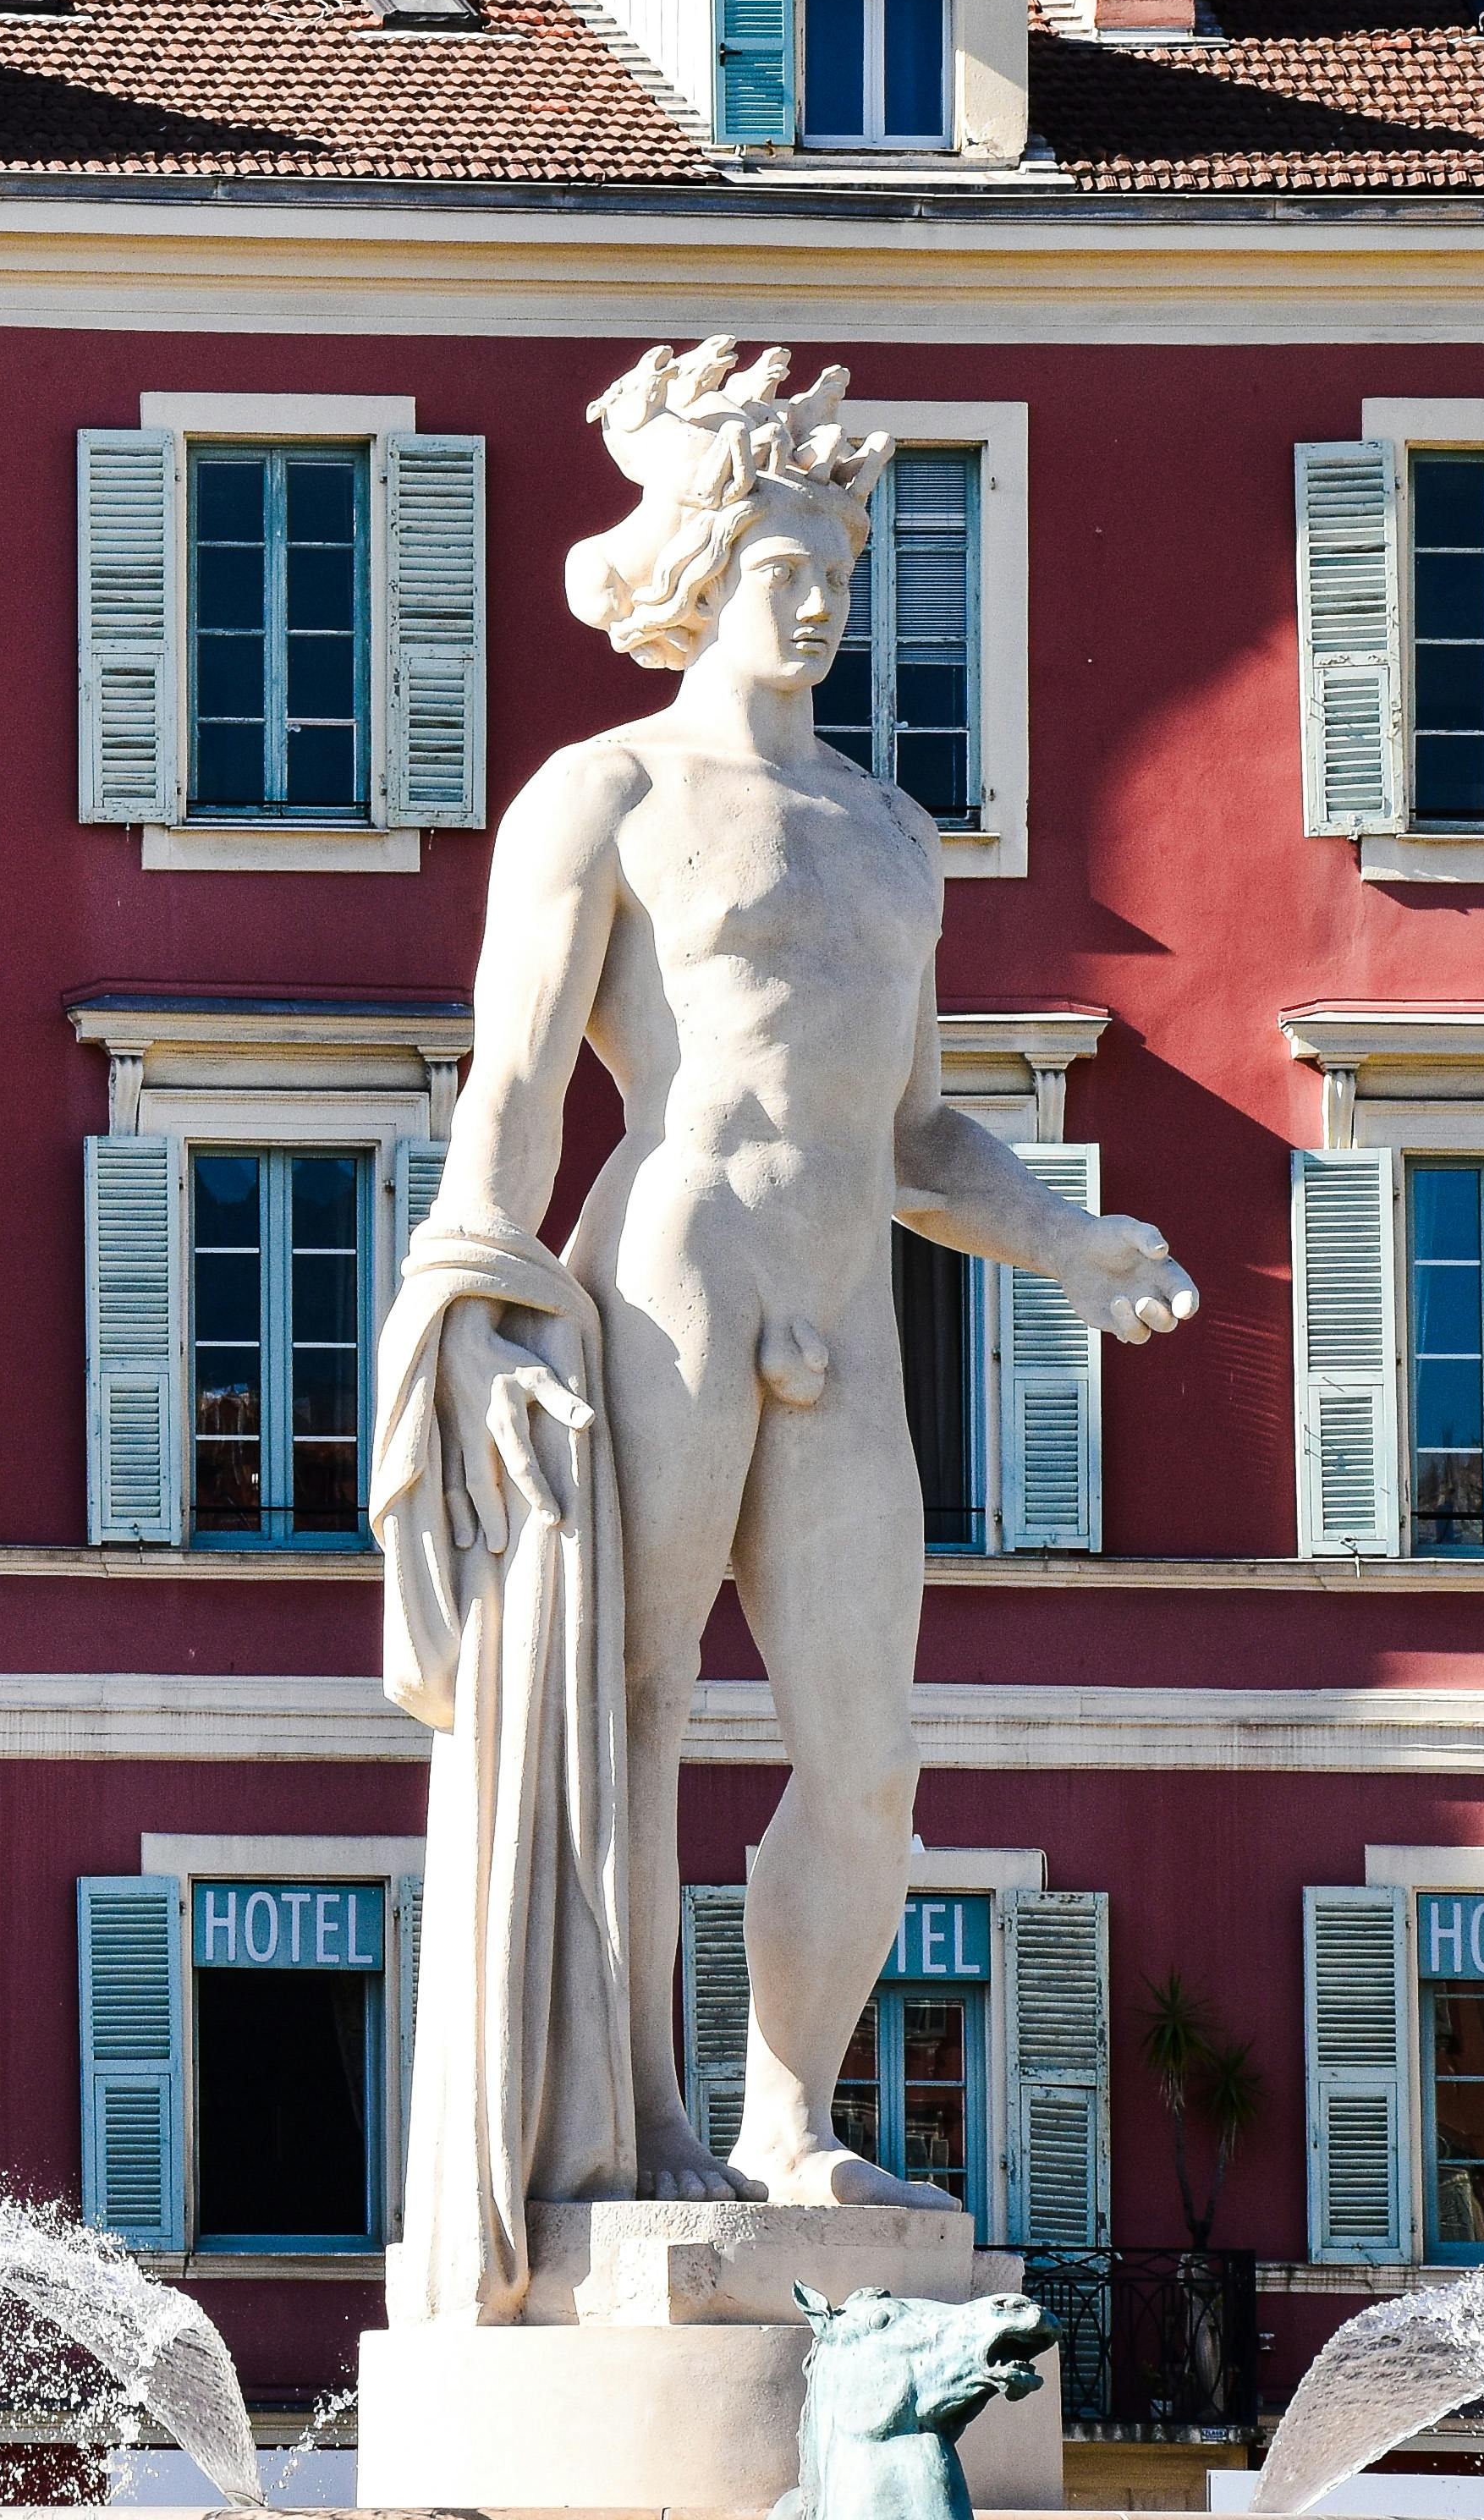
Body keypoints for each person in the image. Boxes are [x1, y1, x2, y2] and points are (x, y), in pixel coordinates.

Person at [376, 340, 1197, 2327]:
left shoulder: (892, 833)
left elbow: (913, 1125)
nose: (818, 592)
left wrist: (1073, 1240)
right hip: (673, 1264)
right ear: (698, 561)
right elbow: (509, 1085)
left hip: (848, 1293)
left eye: (838, 557)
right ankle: (631, 2124)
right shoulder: (611, 791)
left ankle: (783, 2115)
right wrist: (477, 1296)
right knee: (628, 1710)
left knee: (867, 1760)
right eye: (781, 557)